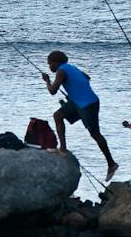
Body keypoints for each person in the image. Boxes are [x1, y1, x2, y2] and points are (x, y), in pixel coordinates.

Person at [44, 50, 117, 179]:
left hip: (87, 104)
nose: (49, 67)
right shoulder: (72, 68)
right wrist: (74, 92)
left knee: (95, 134)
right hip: (80, 102)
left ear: (55, 63)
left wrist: (47, 81)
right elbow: (87, 77)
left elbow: (53, 91)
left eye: (50, 64)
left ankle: (111, 164)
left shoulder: (61, 71)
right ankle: (63, 149)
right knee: (58, 116)